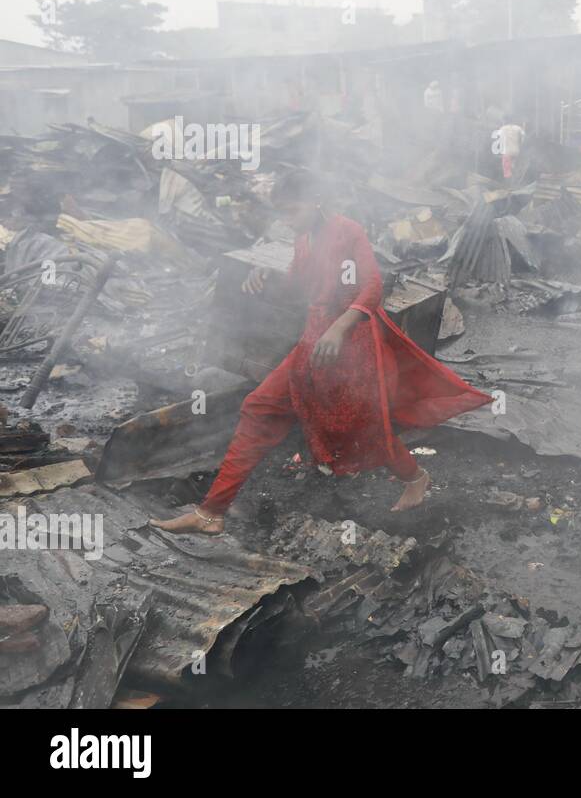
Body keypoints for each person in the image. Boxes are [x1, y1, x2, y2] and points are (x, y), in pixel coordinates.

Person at [150, 171, 491, 535]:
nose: (288, 220)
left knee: (363, 426)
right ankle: (211, 513)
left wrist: (339, 327)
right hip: (314, 343)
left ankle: (416, 477)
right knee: (260, 407)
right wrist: (265, 276)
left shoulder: (348, 231)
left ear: (314, 199)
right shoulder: (303, 238)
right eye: (282, 213)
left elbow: (372, 288)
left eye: (292, 211)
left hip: (352, 348)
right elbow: (299, 288)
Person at [497, 118, 525, 182]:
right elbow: (523, 137)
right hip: (516, 151)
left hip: (507, 152)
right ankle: (515, 180)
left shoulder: (502, 128)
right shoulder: (518, 128)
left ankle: (509, 184)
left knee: (507, 169)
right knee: (513, 166)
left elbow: (498, 137)